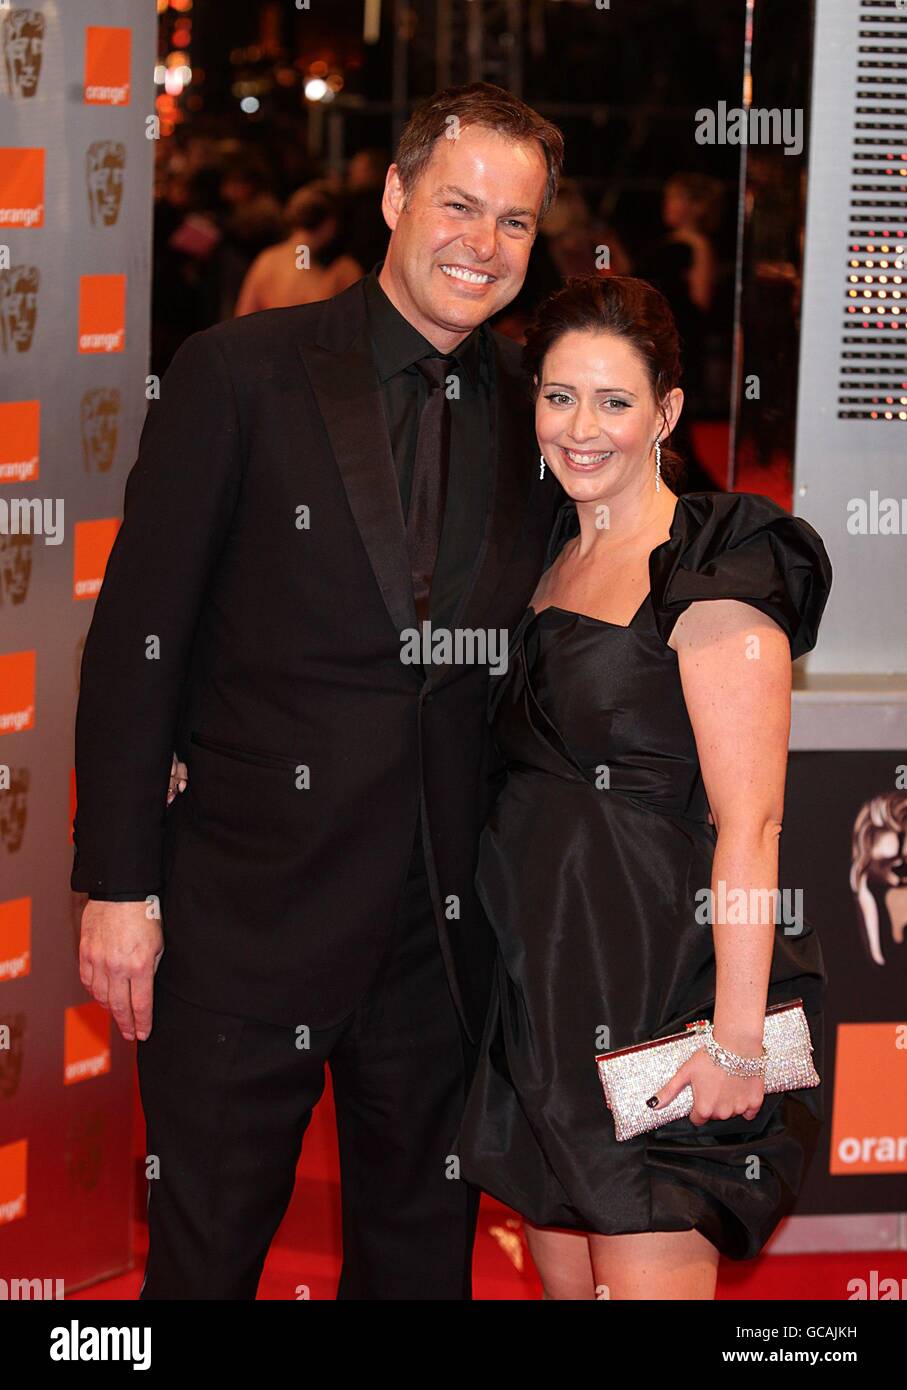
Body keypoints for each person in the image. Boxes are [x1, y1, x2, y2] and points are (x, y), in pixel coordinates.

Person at [71, 82, 565, 1300]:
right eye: (457, 204)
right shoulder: (241, 371)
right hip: (244, 912)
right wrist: (118, 882)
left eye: (513, 222)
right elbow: (141, 637)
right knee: (206, 1254)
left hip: (442, 933)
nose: (482, 244)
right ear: (395, 196)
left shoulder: (537, 404)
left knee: (417, 1262)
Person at [453, 273, 833, 1300]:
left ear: (666, 411)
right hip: (542, 989)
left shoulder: (712, 568)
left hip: (661, 998)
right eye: (559, 395)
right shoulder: (544, 553)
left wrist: (738, 1041)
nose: (582, 428)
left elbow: (752, 821)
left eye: (615, 401)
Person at [234, 181, 363, 315]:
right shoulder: (338, 271)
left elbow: (243, 315)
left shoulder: (267, 259)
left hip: (269, 334)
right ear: (330, 225)